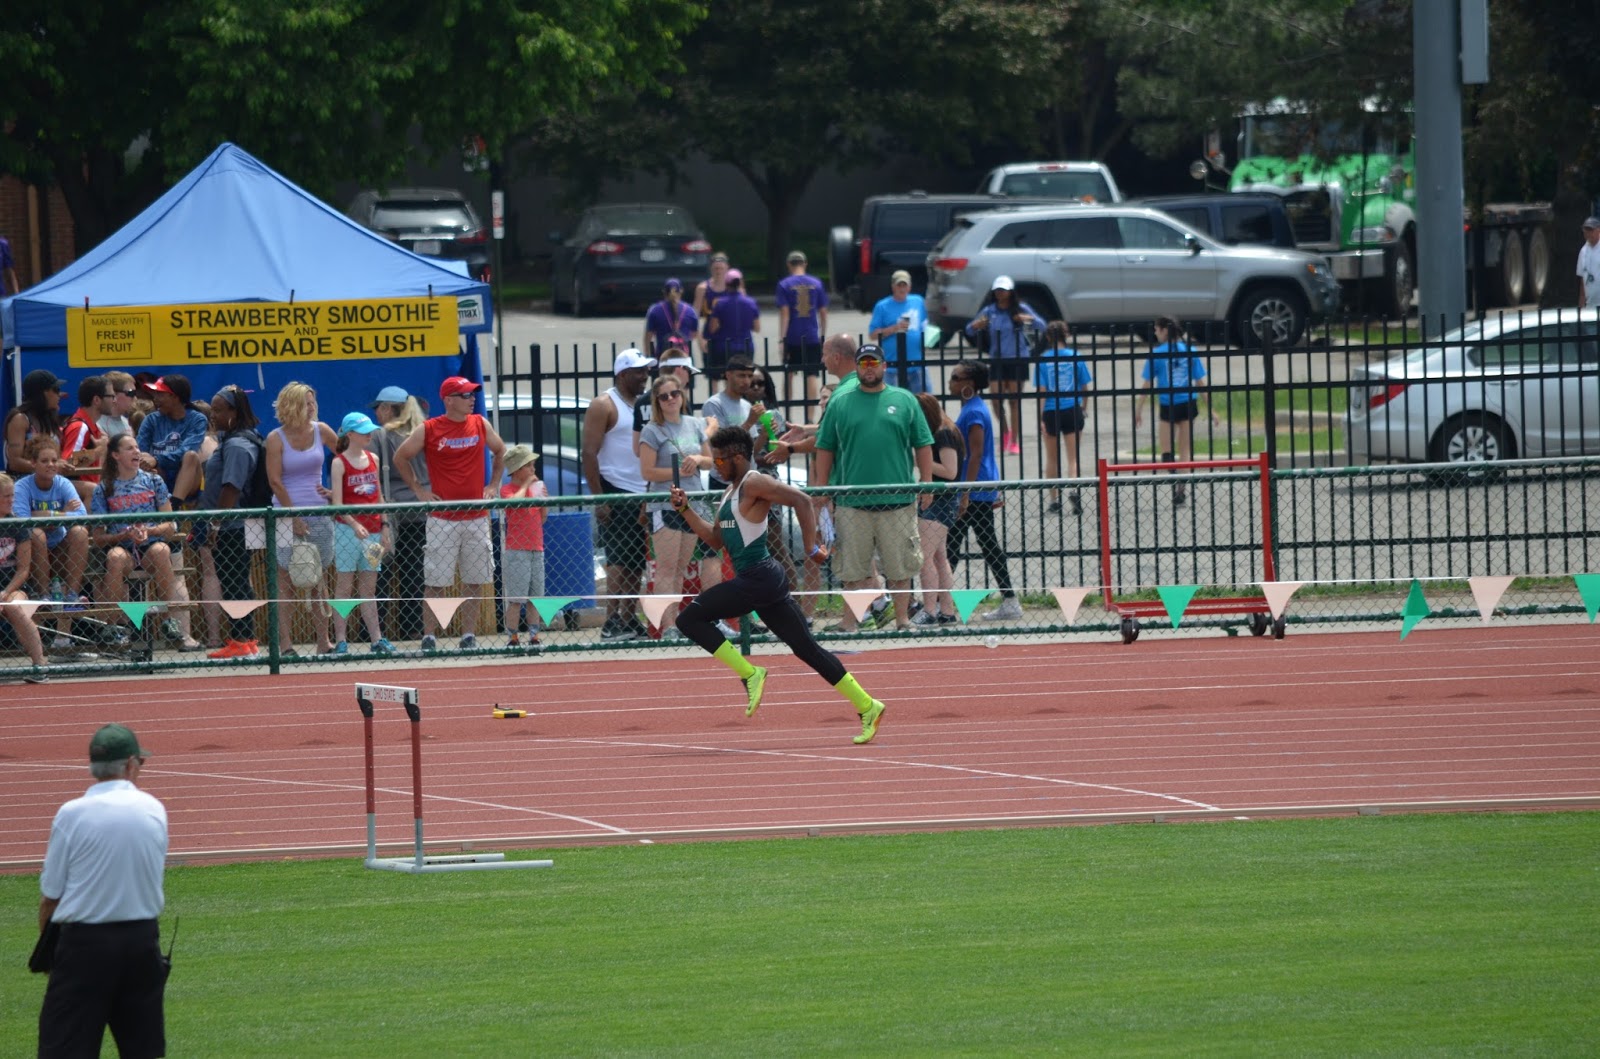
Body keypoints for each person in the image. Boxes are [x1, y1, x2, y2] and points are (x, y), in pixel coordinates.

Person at [669, 425, 887, 745]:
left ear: (738, 458)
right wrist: (685, 509)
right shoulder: (730, 492)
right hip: (762, 581)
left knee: (688, 618)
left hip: (759, 578)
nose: (715, 468)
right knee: (807, 649)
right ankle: (868, 705)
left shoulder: (754, 481)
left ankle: (750, 673)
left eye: (718, 462)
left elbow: (800, 499)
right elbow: (715, 539)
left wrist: (811, 547)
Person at [36, 723, 169, 1059]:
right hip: (141, 941)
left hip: (85, 946)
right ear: (129, 765)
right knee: (143, 1048)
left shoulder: (71, 814)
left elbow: (51, 896)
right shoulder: (153, 808)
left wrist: (52, 954)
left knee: (65, 1047)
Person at [813, 343, 935, 632]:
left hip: (898, 500)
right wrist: (822, 488)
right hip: (852, 502)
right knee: (851, 568)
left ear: (884, 366)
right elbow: (825, 447)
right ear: (856, 367)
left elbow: (923, 443)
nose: (869, 368)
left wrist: (927, 481)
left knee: (901, 567)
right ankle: (849, 622)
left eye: (874, 362)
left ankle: (903, 620)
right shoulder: (840, 402)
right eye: (864, 363)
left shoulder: (905, 400)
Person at [393, 376, 506, 652]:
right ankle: (429, 636)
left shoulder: (480, 423)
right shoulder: (429, 429)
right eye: (465, 395)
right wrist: (419, 490)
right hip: (442, 519)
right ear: (448, 400)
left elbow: (501, 451)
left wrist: (493, 485)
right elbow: (400, 457)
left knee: (475, 580)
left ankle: (468, 635)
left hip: (477, 517)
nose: (472, 399)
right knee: (435, 581)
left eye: (472, 394)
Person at [89, 433, 204, 651]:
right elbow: (98, 537)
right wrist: (125, 535)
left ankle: (169, 621)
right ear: (115, 455)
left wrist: (148, 531)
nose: (136, 452)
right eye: (129, 448)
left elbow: (170, 526)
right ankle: (111, 627)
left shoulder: (153, 481)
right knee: (114, 558)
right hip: (122, 546)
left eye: (137, 447)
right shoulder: (104, 489)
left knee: (162, 550)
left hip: (150, 545)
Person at [638, 374, 719, 637]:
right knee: (667, 567)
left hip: (693, 502)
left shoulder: (695, 424)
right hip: (665, 504)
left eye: (675, 393)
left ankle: (678, 622)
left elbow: (710, 461)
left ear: (682, 395)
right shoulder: (652, 430)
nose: (671, 399)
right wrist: (677, 475)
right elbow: (647, 472)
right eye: (664, 396)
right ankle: (669, 625)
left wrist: (696, 458)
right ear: (657, 401)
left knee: (682, 567)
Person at [582, 349, 655, 642]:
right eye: (639, 371)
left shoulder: (644, 404)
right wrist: (600, 498)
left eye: (646, 370)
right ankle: (611, 620)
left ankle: (628, 617)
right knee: (618, 559)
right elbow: (588, 452)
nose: (645, 376)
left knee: (636, 560)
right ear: (622, 374)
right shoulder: (604, 404)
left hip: (642, 491)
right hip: (616, 489)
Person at [266, 381, 338, 656]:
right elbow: (275, 481)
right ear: (292, 405)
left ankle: (324, 641)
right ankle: (285, 645)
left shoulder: (322, 430)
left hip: (319, 513)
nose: (312, 408)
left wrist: (336, 493)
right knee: (285, 581)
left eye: (313, 402)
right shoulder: (275, 437)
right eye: (306, 403)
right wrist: (292, 515)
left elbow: (348, 459)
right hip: (285, 517)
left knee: (318, 579)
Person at [948, 360, 1022, 621]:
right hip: (978, 487)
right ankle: (1009, 600)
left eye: (956, 377)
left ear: (968, 384)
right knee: (977, 544)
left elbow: (976, 454)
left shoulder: (974, 413)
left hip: (975, 490)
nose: (951, 381)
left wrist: (964, 493)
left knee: (955, 545)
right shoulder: (971, 408)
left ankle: (937, 605)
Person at [200, 386, 266, 660]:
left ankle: (242, 641)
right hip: (233, 522)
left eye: (218, 410)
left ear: (234, 412)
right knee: (234, 580)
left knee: (235, 581)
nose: (213, 415)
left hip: (232, 525)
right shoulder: (232, 440)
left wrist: (215, 524)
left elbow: (231, 486)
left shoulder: (238, 444)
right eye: (212, 409)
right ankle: (245, 639)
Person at [12, 435, 89, 646]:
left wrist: (46, 516)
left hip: (61, 550)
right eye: (45, 461)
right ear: (34, 463)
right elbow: (22, 520)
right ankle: (44, 594)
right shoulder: (22, 486)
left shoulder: (62, 484)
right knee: (36, 533)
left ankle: (72, 595)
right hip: (34, 551)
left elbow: (81, 515)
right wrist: (62, 513)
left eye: (54, 460)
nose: (51, 465)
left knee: (80, 532)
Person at [1134, 316, 1220, 505]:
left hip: (1169, 403)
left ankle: (1178, 484)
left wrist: (1138, 408)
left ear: (1165, 330)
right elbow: (1200, 382)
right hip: (1188, 402)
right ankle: (1181, 485)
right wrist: (1210, 408)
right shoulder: (1190, 351)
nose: (1155, 333)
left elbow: (1147, 383)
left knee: (1167, 451)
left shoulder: (1157, 353)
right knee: (1184, 450)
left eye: (1157, 329)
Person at [370, 387, 430, 641]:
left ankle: (375, 630)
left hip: (386, 515)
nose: (376, 413)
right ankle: (412, 628)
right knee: (414, 571)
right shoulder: (424, 434)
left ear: (385, 408)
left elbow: (371, 476)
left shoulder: (379, 435)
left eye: (377, 408)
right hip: (420, 511)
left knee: (377, 571)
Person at [330, 412, 392, 656]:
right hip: (347, 532)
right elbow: (337, 503)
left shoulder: (373, 458)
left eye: (369, 430)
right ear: (350, 434)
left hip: (374, 532)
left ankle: (377, 639)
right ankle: (341, 640)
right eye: (364, 430)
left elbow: (378, 496)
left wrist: (385, 527)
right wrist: (354, 524)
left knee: (369, 588)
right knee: (344, 587)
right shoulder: (339, 462)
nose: (369, 434)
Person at [964, 275, 1044, 455]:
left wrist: (1026, 319)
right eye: (998, 290)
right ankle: (1006, 432)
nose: (1000, 293)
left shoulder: (1020, 308)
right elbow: (969, 329)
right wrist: (978, 324)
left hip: (1017, 358)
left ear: (1010, 292)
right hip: (997, 359)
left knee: (1014, 401)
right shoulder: (990, 310)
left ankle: (1014, 440)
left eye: (1004, 290)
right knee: (995, 398)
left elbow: (1042, 325)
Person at [1033, 320, 1094, 514]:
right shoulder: (1076, 357)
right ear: (1066, 336)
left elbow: (1042, 391)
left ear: (1049, 338)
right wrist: (1084, 407)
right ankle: (1074, 489)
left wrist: (1040, 417)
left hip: (1051, 410)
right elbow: (1085, 386)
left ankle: (1054, 500)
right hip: (1071, 408)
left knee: (1052, 459)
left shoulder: (1044, 359)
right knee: (1073, 458)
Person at [913, 391, 963, 627]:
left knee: (925, 558)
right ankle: (947, 610)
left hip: (942, 499)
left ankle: (930, 610)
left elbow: (950, 472)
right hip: (937, 499)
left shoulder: (943, 433)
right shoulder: (941, 430)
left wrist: (921, 460)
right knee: (939, 557)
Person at [0, 472, 51, 682]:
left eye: (13, 495)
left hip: (12, 587)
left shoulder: (18, 525)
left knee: (15, 607)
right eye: (6, 497)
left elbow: (23, 569)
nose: (12, 500)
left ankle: (40, 665)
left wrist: (6, 592)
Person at [499, 444, 547, 648]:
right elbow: (514, 502)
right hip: (517, 550)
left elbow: (542, 516)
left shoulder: (534, 489)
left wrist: (543, 499)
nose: (533, 471)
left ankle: (534, 635)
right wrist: (527, 484)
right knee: (517, 597)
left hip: (536, 547)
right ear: (517, 469)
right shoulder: (507, 489)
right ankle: (513, 636)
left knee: (535, 597)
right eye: (529, 466)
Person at [134, 375, 208, 505]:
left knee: (190, 456)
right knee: (143, 455)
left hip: (188, 478)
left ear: (175, 397)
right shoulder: (151, 420)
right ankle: (160, 499)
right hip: (158, 474)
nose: (155, 399)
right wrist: (150, 461)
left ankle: (174, 506)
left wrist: (156, 459)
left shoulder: (198, 419)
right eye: (155, 394)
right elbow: (140, 449)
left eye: (160, 394)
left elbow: (187, 449)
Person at [775, 250, 829, 402]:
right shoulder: (817, 283)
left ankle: (788, 410)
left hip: (792, 336)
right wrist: (822, 334)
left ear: (788, 265)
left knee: (789, 373)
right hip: (811, 335)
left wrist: (782, 339)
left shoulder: (784, 285)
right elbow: (823, 312)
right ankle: (810, 414)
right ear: (805, 264)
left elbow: (785, 313)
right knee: (811, 374)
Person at [868, 269, 929, 394]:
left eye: (904, 285)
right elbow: (872, 334)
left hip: (917, 363)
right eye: (899, 285)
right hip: (893, 366)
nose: (902, 288)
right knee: (894, 405)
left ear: (909, 286)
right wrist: (894, 328)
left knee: (925, 404)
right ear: (893, 286)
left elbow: (925, 324)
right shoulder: (882, 306)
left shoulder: (918, 301)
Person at [59, 376, 114, 501]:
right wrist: (99, 450)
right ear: (96, 400)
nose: (114, 401)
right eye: (111, 396)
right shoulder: (80, 427)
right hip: (78, 500)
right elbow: (68, 464)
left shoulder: (91, 425)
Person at [4, 368, 64, 477]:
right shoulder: (20, 419)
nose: (59, 395)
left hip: (49, 480)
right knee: (89, 488)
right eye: (56, 389)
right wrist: (49, 467)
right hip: (23, 481)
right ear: (42, 393)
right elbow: (14, 462)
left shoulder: (49, 419)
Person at [704, 268, 759, 378]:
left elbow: (713, 328)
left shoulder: (720, 303)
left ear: (726, 284)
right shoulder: (751, 303)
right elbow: (757, 327)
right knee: (744, 378)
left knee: (728, 379)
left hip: (724, 346)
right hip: (745, 345)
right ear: (740, 283)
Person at [643, 278, 699, 359]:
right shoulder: (690, 311)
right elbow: (694, 334)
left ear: (664, 292)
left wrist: (647, 354)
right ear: (681, 291)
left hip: (663, 356)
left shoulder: (655, 310)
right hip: (684, 356)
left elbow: (648, 336)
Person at [692, 251, 732, 357]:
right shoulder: (703, 288)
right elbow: (694, 315)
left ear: (727, 268)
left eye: (721, 268)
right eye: (715, 268)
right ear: (711, 269)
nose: (718, 272)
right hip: (710, 335)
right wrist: (700, 340)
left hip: (730, 337)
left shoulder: (733, 288)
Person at [99, 371, 138, 438]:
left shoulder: (127, 423)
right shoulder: (97, 425)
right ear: (113, 394)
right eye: (131, 393)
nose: (135, 398)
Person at [1578, 216, 1600, 309]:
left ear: (1598, 230)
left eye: (1590, 229)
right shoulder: (1583, 251)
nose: (1587, 233)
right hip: (1590, 304)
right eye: (1585, 230)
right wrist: (1581, 306)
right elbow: (1582, 281)